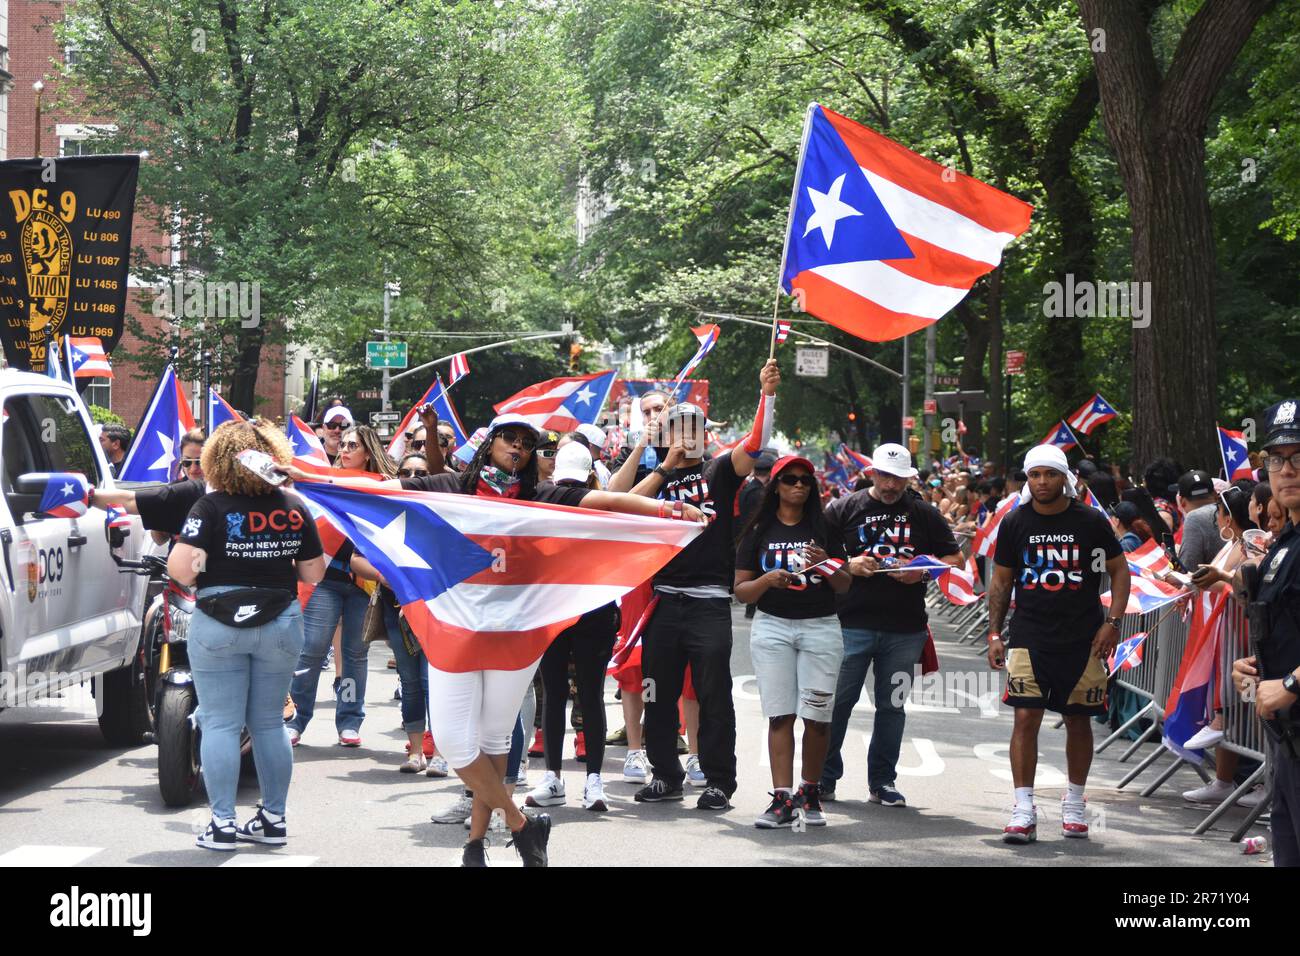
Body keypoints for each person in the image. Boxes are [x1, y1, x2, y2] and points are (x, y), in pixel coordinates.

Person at [283, 413, 703, 866]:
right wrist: (307, 476)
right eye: (510, 437)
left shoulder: (542, 496)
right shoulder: (451, 488)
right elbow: (380, 490)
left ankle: (475, 844)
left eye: (527, 442)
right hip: (455, 633)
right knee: (453, 739)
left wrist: (667, 510)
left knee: (493, 741)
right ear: (490, 443)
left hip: (514, 640)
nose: (518, 447)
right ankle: (522, 825)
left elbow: (606, 503)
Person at [628, 359, 780, 811]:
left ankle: (718, 781)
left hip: (710, 605)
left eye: (696, 426)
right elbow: (622, 508)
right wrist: (662, 469)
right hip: (664, 604)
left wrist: (766, 394)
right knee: (657, 693)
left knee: (714, 696)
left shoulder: (720, 472)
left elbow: (756, 443)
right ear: (666, 436)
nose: (688, 433)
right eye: (679, 427)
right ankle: (665, 775)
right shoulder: (655, 480)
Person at [167, 421, 325, 850]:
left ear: (215, 460)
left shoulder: (210, 507)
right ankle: (273, 819)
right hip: (280, 619)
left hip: (218, 620)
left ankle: (222, 824)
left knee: (220, 723)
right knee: (270, 723)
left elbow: (181, 570)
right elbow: (314, 571)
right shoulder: (293, 506)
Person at [986, 444, 1129, 843]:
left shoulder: (1091, 522)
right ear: (1027, 480)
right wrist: (995, 633)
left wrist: (1112, 622)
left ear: (1065, 477)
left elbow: (1119, 572)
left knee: (1079, 720)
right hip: (1029, 636)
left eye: (1050, 474)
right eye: (1035, 475)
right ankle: (1022, 808)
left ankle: (1074, 804)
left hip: (1083, 638)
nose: (1042, 481)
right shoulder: (1014, 522)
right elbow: (1001, 582)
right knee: (1025, 718)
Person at [818, 443, 962, 807]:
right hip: (850, 623)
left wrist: (922, 571)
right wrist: (848, 565)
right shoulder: (844, 507)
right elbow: (815, 554)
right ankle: (822, 778)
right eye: (884, 476)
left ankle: (882, 782)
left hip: (905, 628)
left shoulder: (924, 513)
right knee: (837, 704)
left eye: (898, 478)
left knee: (892, 708)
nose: (890, 485)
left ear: (908, 478)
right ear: (872, 473)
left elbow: (954, 556)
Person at [734, 456, 849, 827]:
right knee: (781, 713)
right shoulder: (758, 530)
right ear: (777, 486)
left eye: (804, 480)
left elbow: (845, 585)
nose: (798, 486)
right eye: (789, 480)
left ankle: (810, 792)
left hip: (820, 627)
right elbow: (742, 592)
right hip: (773, 628)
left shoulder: (825, 527)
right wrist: (768, 581)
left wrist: (828, 563)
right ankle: (782, 798)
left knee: (817, 717)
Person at [286, 424, 395, 748]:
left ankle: (349, 720)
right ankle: (297, 719)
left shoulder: (382, 488)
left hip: (362, 583)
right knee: (312, 650)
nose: (344, 450)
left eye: (353, 445)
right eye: (343, 444)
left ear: (368, 452)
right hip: (326, 581)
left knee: (355, 654)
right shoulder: (325, 486)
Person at [526, 441, 620, 813]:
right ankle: (553, 777)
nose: (570, 490)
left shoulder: (602, 505)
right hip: (553, 610)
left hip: (593, 611)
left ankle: (594, 780)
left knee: (591, 693)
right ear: (552, 476)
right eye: (564, 482)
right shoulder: (539, 501)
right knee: (552, 693)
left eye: (575, 483)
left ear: (589, 478)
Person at [1232, 399, 1300, 867]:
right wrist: (1254, 670)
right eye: (1277, 459)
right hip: (1287, 737)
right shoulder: (1284, 544)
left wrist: (1292, 683)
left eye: (1299, 458)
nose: (1287, 469)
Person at [1176, 469, 1220, 571]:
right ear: (1215, 494)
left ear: (1182, 502)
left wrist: (1171, 560)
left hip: (1219, 586)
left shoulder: (1194, 518)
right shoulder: (1228, 507)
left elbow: (1186, 571)